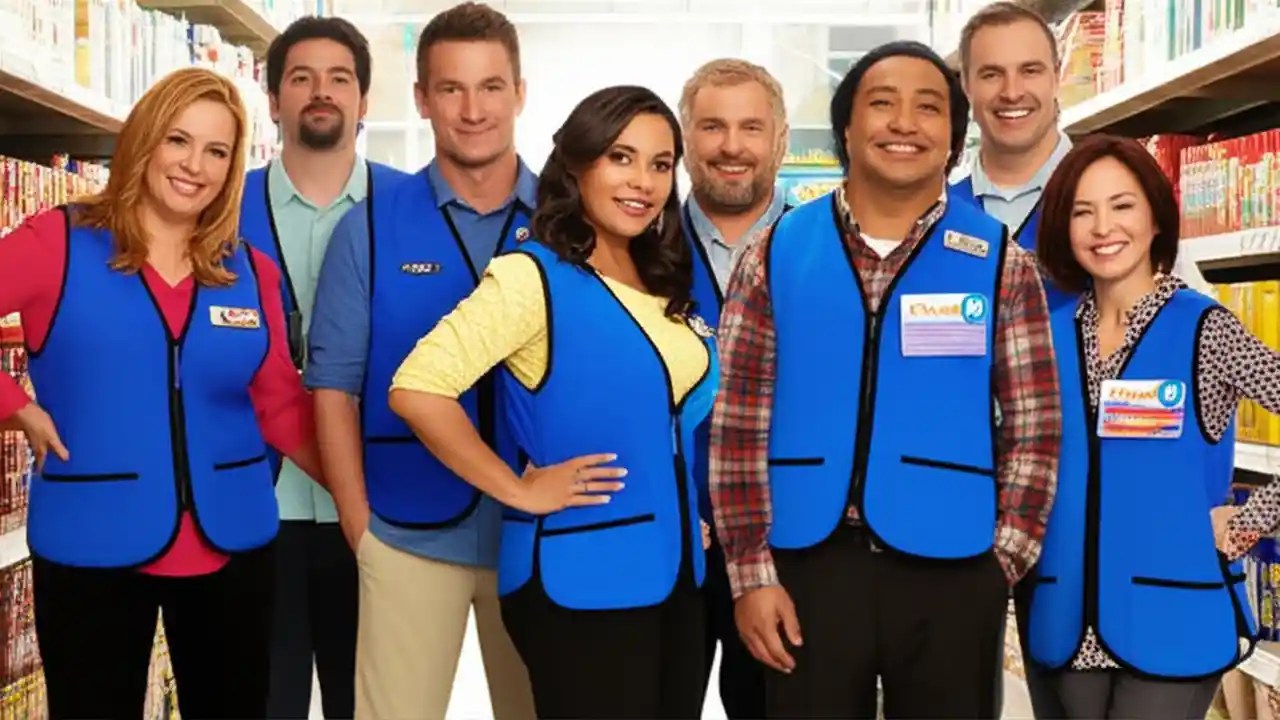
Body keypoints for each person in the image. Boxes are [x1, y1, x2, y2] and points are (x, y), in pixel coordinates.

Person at [712, 40, 1061, 718]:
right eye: (882, 104)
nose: (905, 124)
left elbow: (1036, 426)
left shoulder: (999, 262)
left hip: (952, 567)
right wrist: (751, 574)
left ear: (954, 139)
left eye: (928, 108)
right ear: (847, 128)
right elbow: (736, 423)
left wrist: (1000, 568)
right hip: (807, 564)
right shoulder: (777, 250)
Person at [0, 67, 323, 719]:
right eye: (179, 140)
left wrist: (365, 504)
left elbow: (282, 404)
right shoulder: (55, 243)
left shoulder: (248, 270)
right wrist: (17, 408)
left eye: (217, 151)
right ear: (145, 139)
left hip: (232, 538)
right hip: (91, 537)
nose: (195, 166)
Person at [389, 83, 714, 720]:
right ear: (576, 164)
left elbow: (664, 421)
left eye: (659, 163)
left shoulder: (660, 280)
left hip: (677, 575)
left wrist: (679, 509)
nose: (642, 181)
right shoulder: (530, 277)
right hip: (579, 580)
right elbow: (417, 388)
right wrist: (518, 490)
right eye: (621, 158)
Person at [305, 3, 536, 717]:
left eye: (491, 87)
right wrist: (358, 526)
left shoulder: (568, 221)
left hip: (538, 537)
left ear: (520, 94)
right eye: (451, 88)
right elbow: (334, 388)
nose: (472, 110)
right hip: (404, 532)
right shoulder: (368, 224)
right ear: (421, 98)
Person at [1028, 133, 1280, 720]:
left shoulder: (1205, 329)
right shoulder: (1051, 334)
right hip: (1067, 621)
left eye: (1122, 206)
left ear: (1155, 218)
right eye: (1082, 211)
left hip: (1175, 616)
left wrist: (1251, 521)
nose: (1102, 227)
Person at [239, 17, 408, 719]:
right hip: (250, 503)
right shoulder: (219, 205)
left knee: (365, 701)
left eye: (340, 78)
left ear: (364, 101)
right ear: (273, 97)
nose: (321, 92)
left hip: (376, 503)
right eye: (301, 77)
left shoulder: (410, 208)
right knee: (259, 698)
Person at [950, 4, 1073, 715]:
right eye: (989, 73)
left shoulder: (1112, 197)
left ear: (1058, 78)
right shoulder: (936, 210)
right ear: (967, 87)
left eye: (1030, 69)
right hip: (955, 499)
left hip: (1080, 497)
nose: (1011, 90)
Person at [678, 57, 789, 719]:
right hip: (674, 539)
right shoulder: (637, 247)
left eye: (752, 126)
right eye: (712, 126)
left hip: (785, 544)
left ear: (779, 139)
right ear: (686, 138)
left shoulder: (825, 248)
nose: (731, 145)